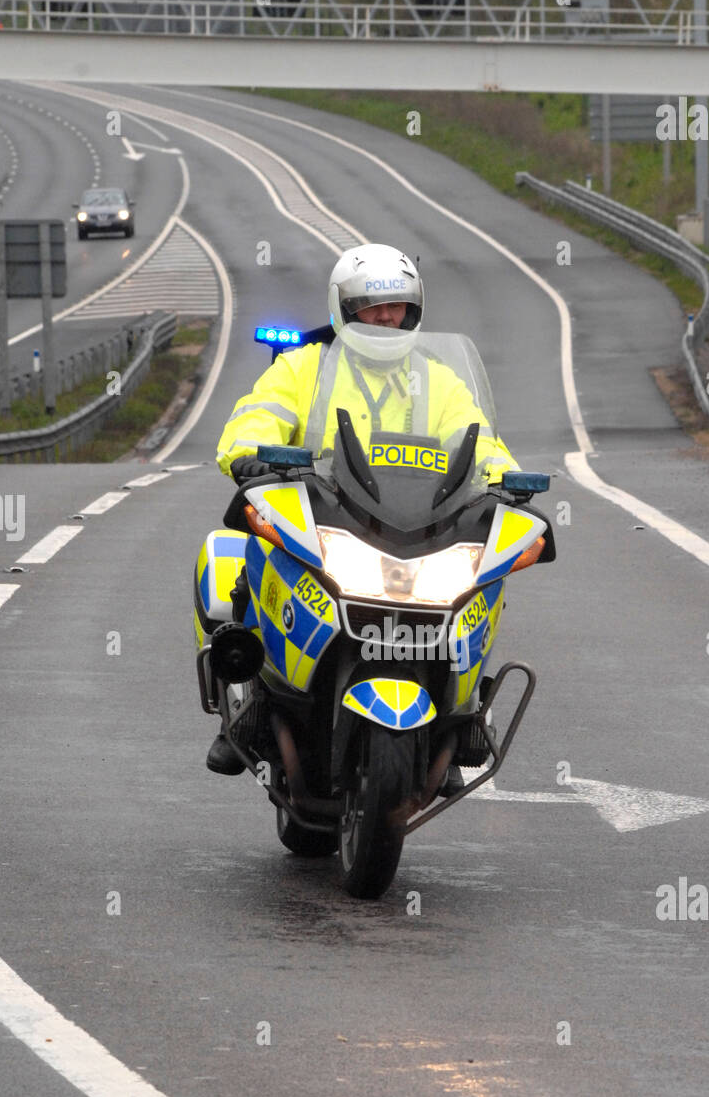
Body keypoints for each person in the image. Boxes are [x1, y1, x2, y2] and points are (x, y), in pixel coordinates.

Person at [207, 243, 518, 775]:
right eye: (373, 307)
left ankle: (461, 712)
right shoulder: (306, 366)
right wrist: (251, 456)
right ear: (344, 309)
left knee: (483, 573)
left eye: (397, 306)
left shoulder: (437, 379)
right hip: (326, 516)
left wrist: (504, 482)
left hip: (418, 525)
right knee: (244, 553)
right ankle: (249, 702)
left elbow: (478, 437)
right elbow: (256, 416)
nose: (386, 317)